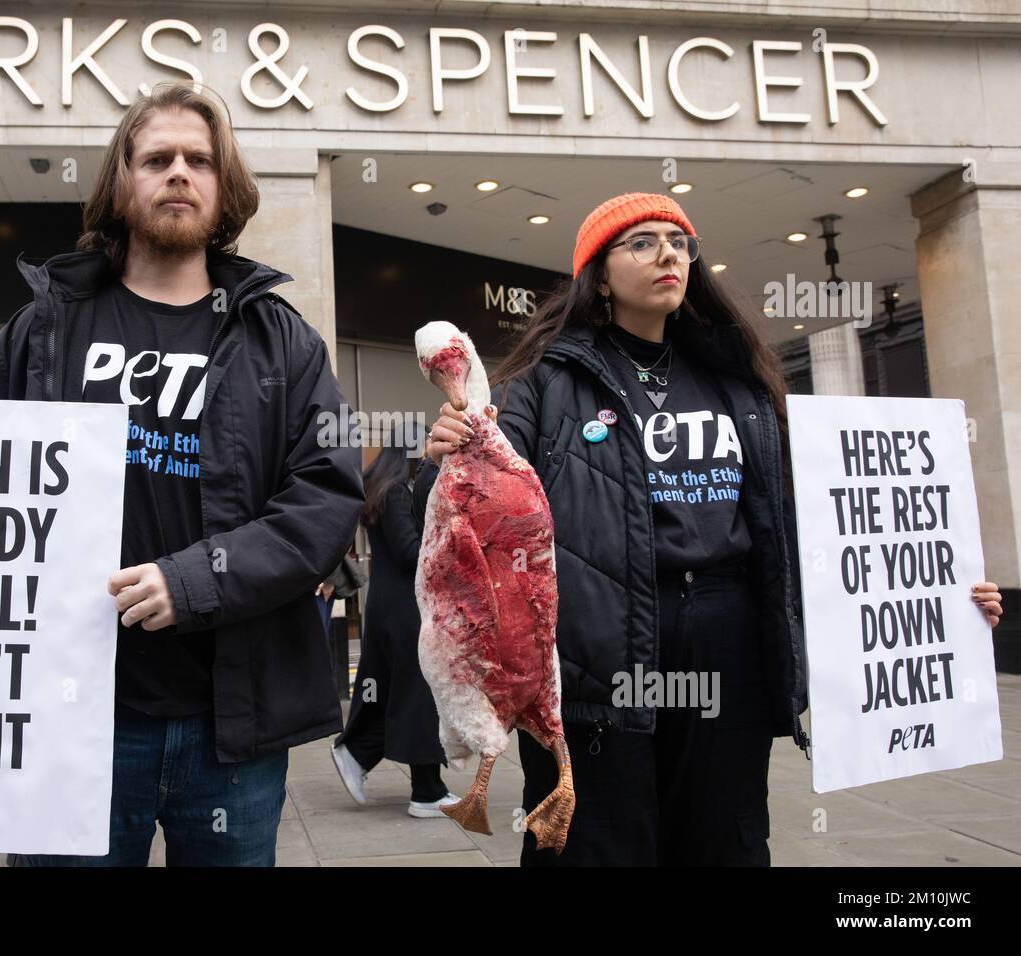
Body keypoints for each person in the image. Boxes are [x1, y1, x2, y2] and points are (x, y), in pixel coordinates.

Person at [0, 80, 364, 867]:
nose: (179, 173)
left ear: (224, 187)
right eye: (157, 157)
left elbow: (325, 504)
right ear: (121, 181)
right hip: (62, 728)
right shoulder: (43, 329)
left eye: (199, 159)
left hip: (232, 731)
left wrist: (193, 580)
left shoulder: (282, 343)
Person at [417, 191, 1005, 866]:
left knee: (724, 838)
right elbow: (482, 493)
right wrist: (451, 449)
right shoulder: (547, 382)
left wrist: (937, 594)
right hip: (601, 647)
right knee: (597, 843)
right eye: (640, 241)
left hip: (729, 637)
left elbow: (816, 519)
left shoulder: (739, 381)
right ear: (598, 276)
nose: (667, 252)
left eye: (679, 241)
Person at [330, 426, 460, 818]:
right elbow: (409, 552)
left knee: (391, 690)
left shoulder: (385, 491)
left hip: (391, 607)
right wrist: (449, 538)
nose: (429, 455)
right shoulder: (399, 491)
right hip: (408, 610)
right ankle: (427, 792)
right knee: (420, 697)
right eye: (424, 446)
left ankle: (355, 753)